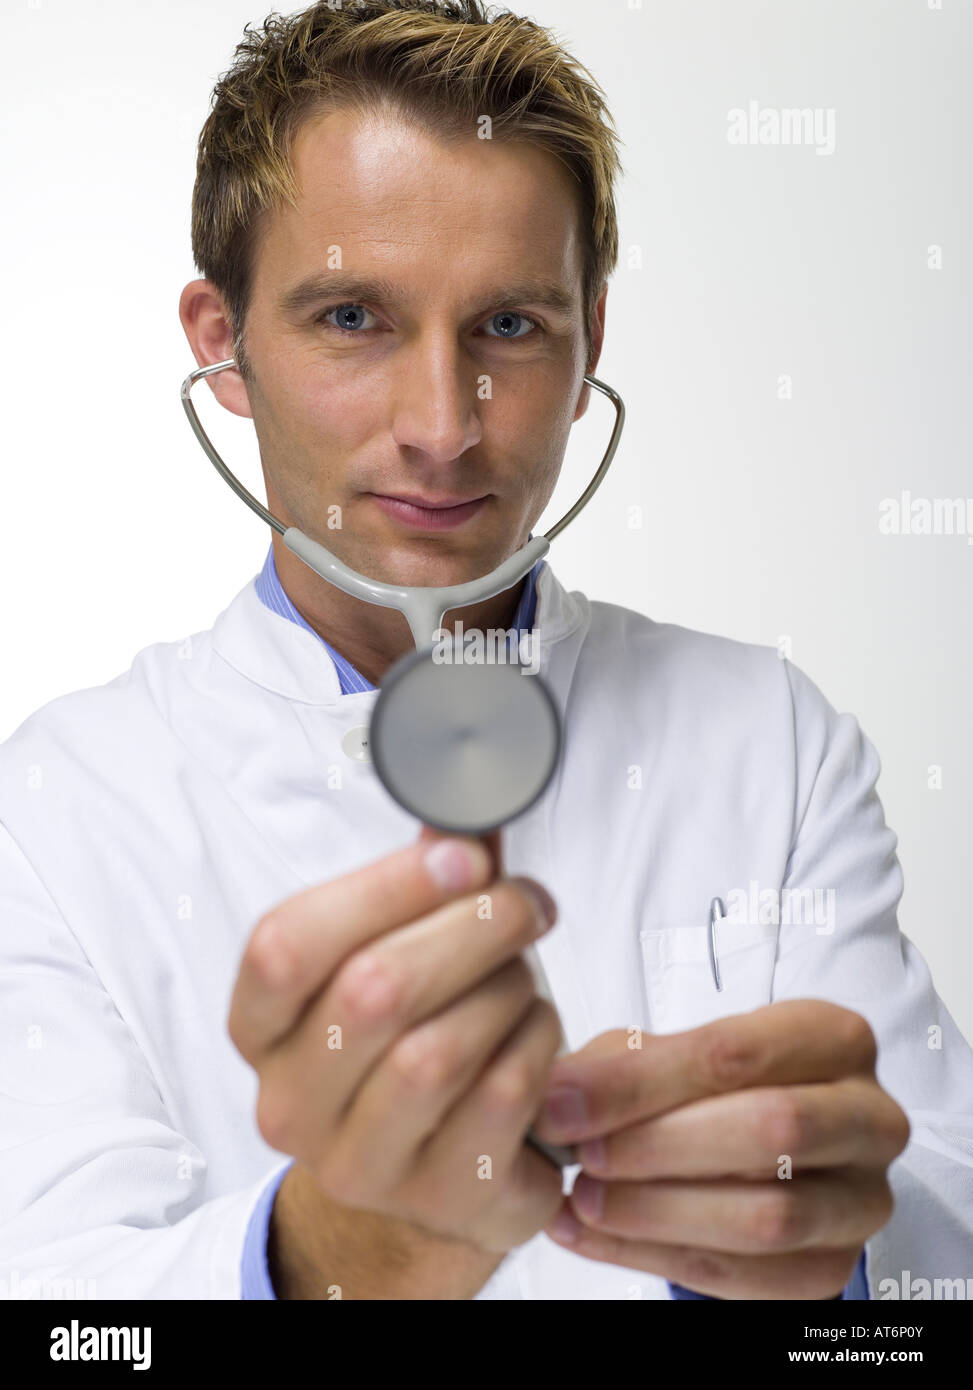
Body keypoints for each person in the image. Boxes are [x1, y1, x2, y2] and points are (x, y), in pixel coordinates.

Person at [0, 0, 970, 1303]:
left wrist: (837, 1241)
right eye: (353, 317)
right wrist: (334, 1252)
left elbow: (941, 1230)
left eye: (508, 325)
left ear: (589, 348)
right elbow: (62, 1305)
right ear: (222, 344)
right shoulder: (58, 803)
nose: (442, 427)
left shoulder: (764, 736)